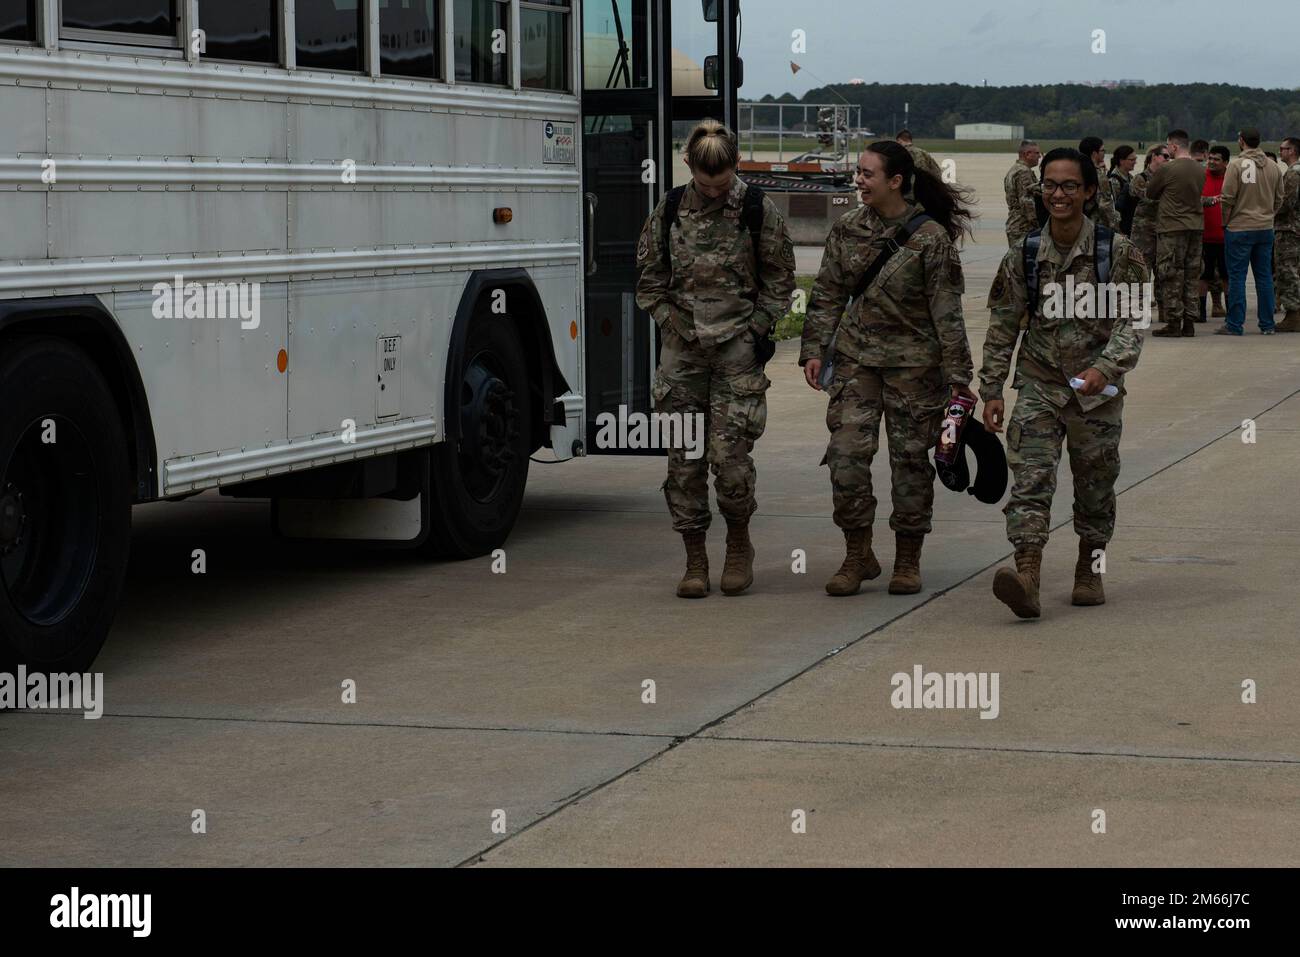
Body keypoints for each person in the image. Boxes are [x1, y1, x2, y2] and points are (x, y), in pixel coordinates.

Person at [800, 141, 974, 598]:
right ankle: (858, 553)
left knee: (911, 464)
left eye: (867, 174)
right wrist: (814, 349)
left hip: (915, 369)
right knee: (845, 458)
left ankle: (907, 559)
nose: (858, 180)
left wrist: (959, 378)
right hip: (856, 364)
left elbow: (947, 312)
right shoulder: (848, 228)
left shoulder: (930, 238)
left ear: (895, 181)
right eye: (857, 172)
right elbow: (828, 292)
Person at [980, 148, 1147, 619]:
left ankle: (1089, 568)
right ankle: (1027, 575)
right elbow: (1003, 325)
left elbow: (1132, 321)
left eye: (1069, 185)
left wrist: (1105, 368)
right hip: (1040, 384)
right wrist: (991, 388)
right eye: (1050, 185)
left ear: (1089, 191)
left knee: (1095, 486)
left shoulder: (1117, 252)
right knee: (1030, 481)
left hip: (1096, 395)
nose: (1058, 194)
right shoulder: (1025, 253)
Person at [635, 119, 796, 597]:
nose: (712, 192)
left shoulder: (756, 208)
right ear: (688, 165)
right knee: (684, 462)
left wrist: (756, 329)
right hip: (681, 355)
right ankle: (695, 560)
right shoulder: (668, 209)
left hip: (735, 352)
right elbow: (648, 281)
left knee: (731, 461)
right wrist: (671, 322)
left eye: (721, 184)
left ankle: (739, 546)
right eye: (705, 185)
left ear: (735, 166)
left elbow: (781, 280)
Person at [1217, 127, 1284, 336]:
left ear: (1241, 141)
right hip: (1264, 227)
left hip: (1240, 227)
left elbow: (1227, 198)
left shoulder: (1236, 165)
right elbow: (1280, 198)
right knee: (1264, 277)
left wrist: (1225, 222)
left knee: (1237, 277)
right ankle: (1267, 324)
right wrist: (1268, 215)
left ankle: (1235, 324)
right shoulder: (1273, 166)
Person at [1147, 129, 1206, 337]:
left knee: (1171, 274)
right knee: (1192, 275)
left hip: (1172, 226)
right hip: (1195, 226)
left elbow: (1150, 193)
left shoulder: (1167, 169)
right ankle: (1189, 321)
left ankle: (1173, 322)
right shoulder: (1200, 169)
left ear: (1173, 146)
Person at [1128, 146, 1169, 325]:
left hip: (1162, 229)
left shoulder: (1167, 178)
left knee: (1163, 272)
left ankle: (1164, 311)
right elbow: (1145, 196)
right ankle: (1141, 311)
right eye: (1165, 156)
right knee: (1142, 272)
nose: (1168, 159)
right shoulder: (1141, 178)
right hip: (1143, 233)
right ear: (1154, 157)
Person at [1199, 146, 1230, 321]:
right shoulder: (1201, 176)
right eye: (1210, 158)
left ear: (1226, 162)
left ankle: (1231, 312)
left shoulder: (1231, 178)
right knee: (1203, 275)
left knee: (1227, 276)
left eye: (1216, 159)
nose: (1211, 162)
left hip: (1227, 237)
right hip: (1204, 237)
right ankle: (1200, 312)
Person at [1275, 136, 1300, 332]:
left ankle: (1293, 315)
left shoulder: (1293, 174)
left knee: (1288, 272)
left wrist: (1268, 211)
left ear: (1292, 151)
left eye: (1283, 148)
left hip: (1289, 230)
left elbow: (1286, 204)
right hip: (1295, 227)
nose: (1280, 151)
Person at [1004, 139, 1042, 248]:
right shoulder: (1023, 172)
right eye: (1037, 153)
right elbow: (1026, 202)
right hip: (1023, 227)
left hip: (1016, 224)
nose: (1039, 156)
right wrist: (1038, 224)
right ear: (1027, 154)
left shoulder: (1014, 170)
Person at [1079, 136, 1121, 230]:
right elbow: (1105, 204)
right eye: (1102, 150)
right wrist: (1115, 226)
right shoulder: (1098, 174)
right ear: (1094, 153)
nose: (1104, 153)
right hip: (1095, 223)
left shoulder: (1077, 171)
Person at [1108, 145, 1137, 235]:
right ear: (1121, 161)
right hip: (1120, 227)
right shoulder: (1114, 181)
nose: (1135, 162)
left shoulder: (1131, 178)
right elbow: (1113, 208)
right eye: (1132, 160)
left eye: (1135, 159)